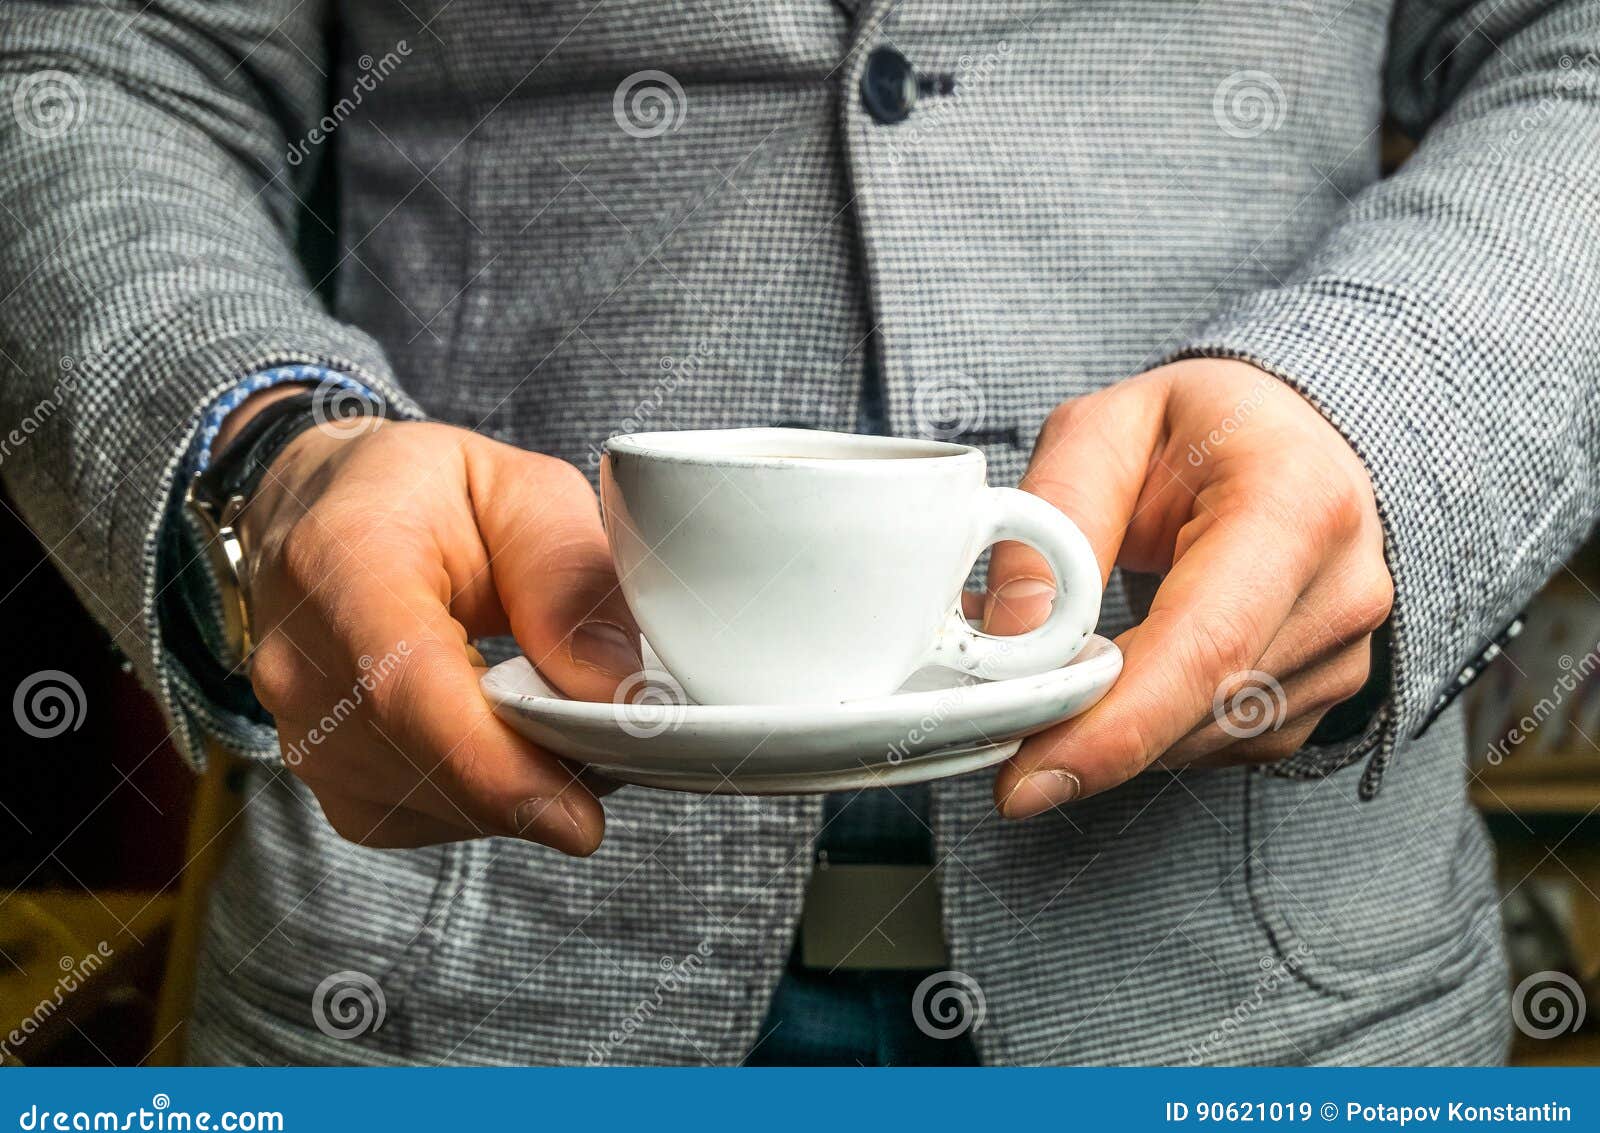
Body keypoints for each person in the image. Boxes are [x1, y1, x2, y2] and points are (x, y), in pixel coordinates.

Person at [1, 0, 1594, 1066]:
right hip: (434, 1002)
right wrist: (263, 454)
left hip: (1291, 1014)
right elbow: (97, 61)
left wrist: (1389, 396)